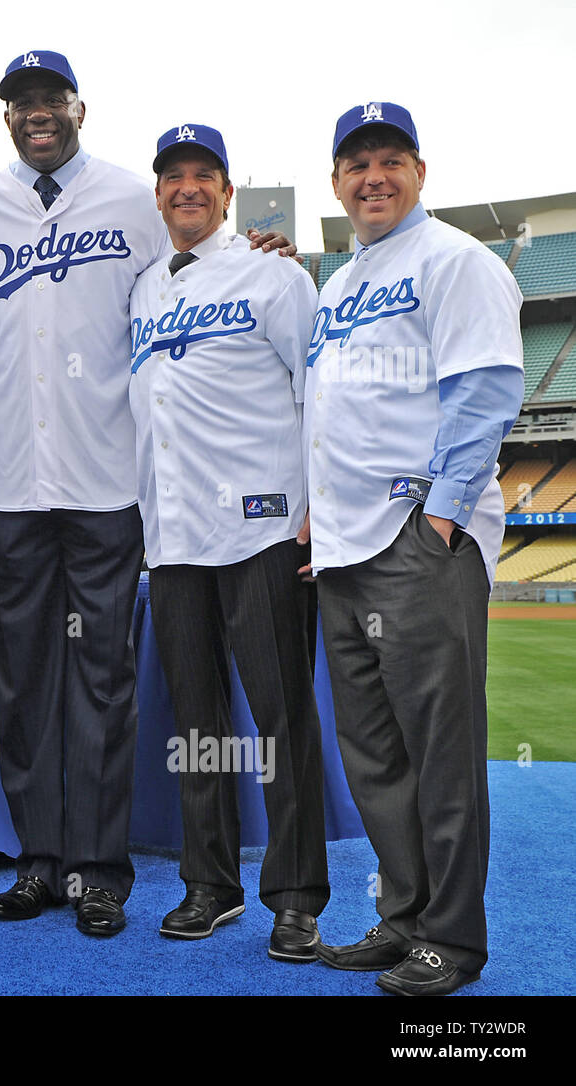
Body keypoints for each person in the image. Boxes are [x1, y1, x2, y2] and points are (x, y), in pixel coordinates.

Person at [0, 50, 295, 937]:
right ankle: (38, 863)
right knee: (25, 685)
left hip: (108, 484)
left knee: (103, 688)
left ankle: (99, 873)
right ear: (5, 119)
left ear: (77, 107)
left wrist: (260, 246)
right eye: (21, 103)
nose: (38, 114)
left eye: (50, 100)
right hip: (7, 490)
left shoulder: (131, 201)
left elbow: (197, 262)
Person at [305, 102, 523, 995]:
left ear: (420, 172)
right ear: (336, 184)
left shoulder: (455, 260)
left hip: (413, 534)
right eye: (356, 165)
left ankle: (453, 938)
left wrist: (438, 511)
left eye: (390, 160)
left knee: (438, 746)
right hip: (346, 546)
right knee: (375, 755)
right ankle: (402, 917)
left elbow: (486, 388)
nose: (373, 177)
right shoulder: (338, 283)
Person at [129, 124, 329, 960]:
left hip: (262, 526)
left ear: (226, 191)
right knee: (198, 721)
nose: (186, 188)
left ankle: (294, 896)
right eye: (172, 176)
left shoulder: (273, 273)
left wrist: (320, 505)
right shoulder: (142, 287)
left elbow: (317, 387)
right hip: (173, 536)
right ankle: (211, 884)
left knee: (280, 719)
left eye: (201, 175)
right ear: (159, 193)